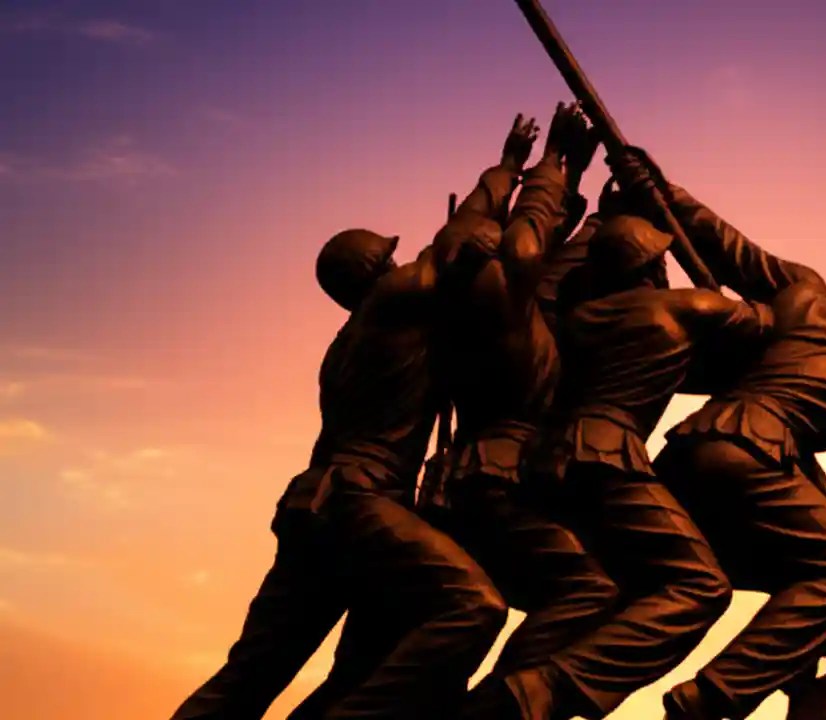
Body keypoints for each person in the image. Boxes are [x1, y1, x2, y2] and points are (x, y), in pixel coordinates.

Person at [606, 149, 826, 720]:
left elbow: (725, 247)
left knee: (758, 574)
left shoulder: (803, 294)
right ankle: (711, 696)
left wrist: (660, 191)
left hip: (685, 452)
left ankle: (795, 677)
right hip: (749, 456)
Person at [170, 226, 506, 720]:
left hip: (324, 505)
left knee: (261, 676)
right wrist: (515, 164)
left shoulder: (353, 339)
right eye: (388, 261)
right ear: (377, 271)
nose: (399, 266)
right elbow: (457, 242)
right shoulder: (391, 305)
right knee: (473, 605)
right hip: (359, 503)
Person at [472, 209, 782, 720]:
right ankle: (547, 687)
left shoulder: (575, 321)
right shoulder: (685, 308)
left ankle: (509, 694)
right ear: (653, 264)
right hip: (609, 457)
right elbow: (764, 322)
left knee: (609, 587)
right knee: (701, 585)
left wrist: (597, 221)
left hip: (548, 464)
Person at [423, 105, 626, 720]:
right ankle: (499, 706)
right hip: (499, 478)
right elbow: (530, 236)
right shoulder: (506, 302)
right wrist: (552, 161)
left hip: (463, 475)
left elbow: (508, 233)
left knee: (454, 617)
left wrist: (513, 167)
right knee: (591, 588)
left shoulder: (457, 297)